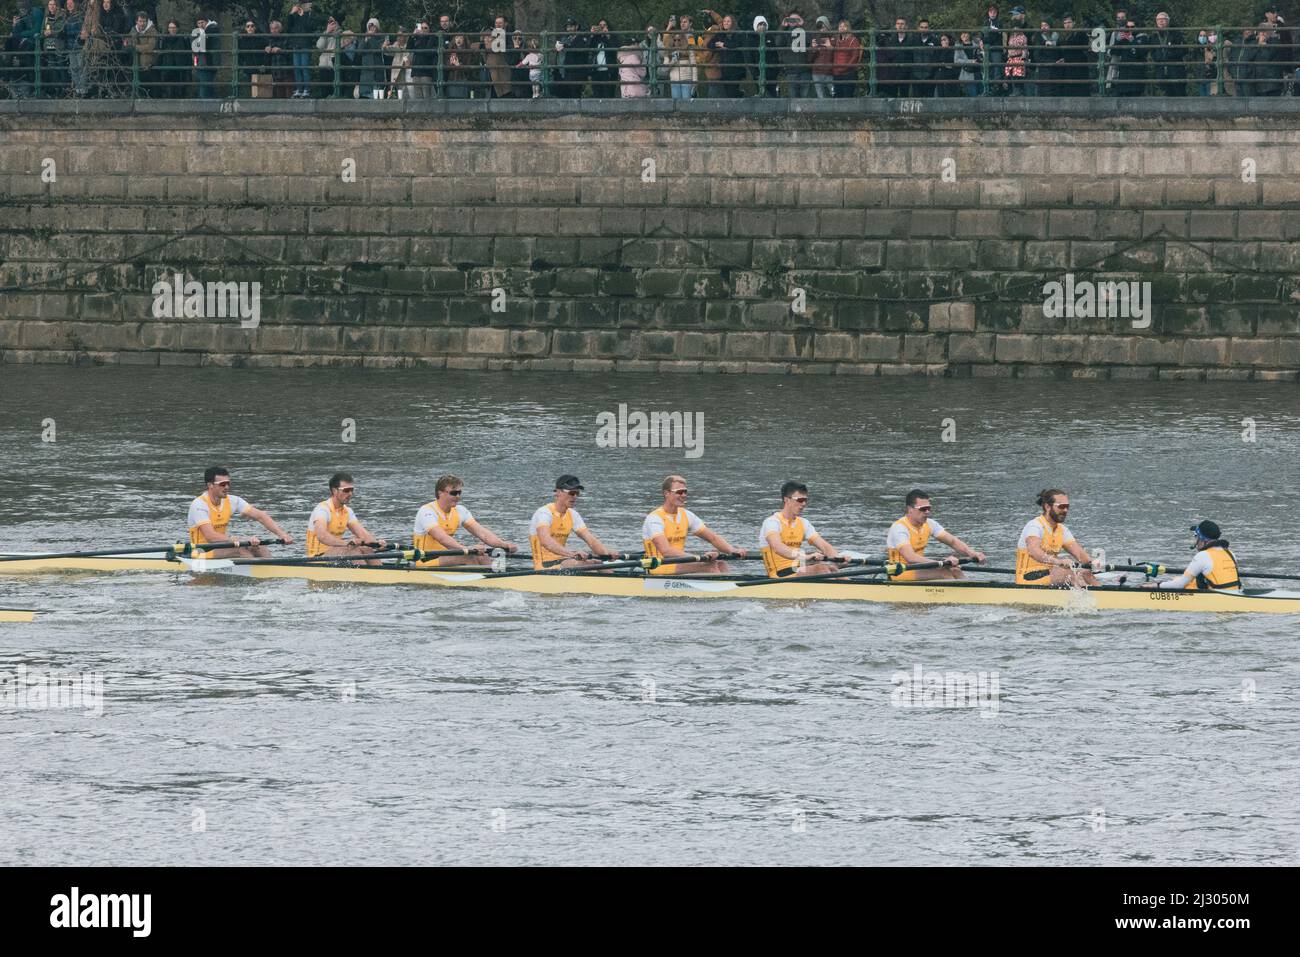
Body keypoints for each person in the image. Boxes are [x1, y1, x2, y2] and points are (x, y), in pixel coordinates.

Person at [642, 475, 746, 575]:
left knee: (721, 563)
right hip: (658, 566)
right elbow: (666, 551)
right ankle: (725, 591)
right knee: (708, 566)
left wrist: (732, 550)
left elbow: (713, 538)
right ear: (666, 493)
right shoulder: (655, 518)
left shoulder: (686, 515)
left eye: (685, 492)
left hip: (678, 562)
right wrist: (699, 558)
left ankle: (733, 589)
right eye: (679, 492)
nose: (684, 495)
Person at [413, 474, 519, 567]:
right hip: (425, 559)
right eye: (453, 493)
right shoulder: (427, 511)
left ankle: (495, 582)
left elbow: (483, 534)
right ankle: (487, 582)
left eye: (459, 492)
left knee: (483, 556)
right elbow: (442, 538)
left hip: (445, 556)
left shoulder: (460, 511)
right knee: (468, 556)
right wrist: (467, 549)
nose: (458, 496)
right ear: (440, 493)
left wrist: (504, 545)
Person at [188, 466, 293, 559]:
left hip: (221, 546)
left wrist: (282, 535)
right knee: (240, 549)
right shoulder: (199, 505)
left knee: (259, 546)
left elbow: (261, 516)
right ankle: (258, 575)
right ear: (210, 485)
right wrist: (242, 539)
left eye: (228, 483)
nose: (227, 487)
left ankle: (273, 570)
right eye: (222, 484)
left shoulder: (233, 500)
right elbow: (210, 536)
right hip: (201, 551)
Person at [885, 490, 985, 581]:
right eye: (923, 509)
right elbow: (911, 557)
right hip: (900, 572)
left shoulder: (930, 524)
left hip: (918, 568)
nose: (927, 512)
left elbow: (952, 541)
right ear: (910, 509)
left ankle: (972, 592)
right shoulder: (899, 528)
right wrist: (940, 564)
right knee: (944, 573)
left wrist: (972, 553)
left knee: (955, 570)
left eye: (929, 508)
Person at [1015, 488, 1100, 587]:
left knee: (1086, 572)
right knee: (1069, 573)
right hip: (1028, 578)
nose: (1065, 510)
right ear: (1047, 507)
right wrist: (1058, 562)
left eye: (1067, 507)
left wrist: (1094, 564)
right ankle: (1087, 600)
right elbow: (1033, 551)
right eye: (1061, 506)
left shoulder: (1062, 530)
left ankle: (1103, 596)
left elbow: (1081, 555)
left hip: (1050, 574)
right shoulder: (1034, 526)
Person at [760, 481, 845, 578]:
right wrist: (804, 557)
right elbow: (778, 547)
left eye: (805, 500)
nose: (804, 504)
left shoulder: (803, 523)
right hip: (780, 574)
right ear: (786, 500)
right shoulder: (772, 522)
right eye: (800, 500)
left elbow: (824, 546)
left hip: (799, 568)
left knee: (833, 568)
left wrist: (838, 559)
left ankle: (850, 590)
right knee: (821, 568)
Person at [529, 475, 615, 569]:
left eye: (577, 493)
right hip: (544, 566)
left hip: (562, 561)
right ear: (558, 492)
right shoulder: (544, 513)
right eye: (572, 493)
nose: (574, 497)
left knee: (599, 564)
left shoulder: (573, 514)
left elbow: (590, 539)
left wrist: (606, 553)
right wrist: (572, 554)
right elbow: (546, 542)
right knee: (590, 565)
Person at [305, 472, 387, 563]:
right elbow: (322, 536)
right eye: (346, 490)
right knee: (353, 550)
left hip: (337, 554)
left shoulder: (347, 511)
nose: (350, 493)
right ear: (334, 490)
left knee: (366, 548)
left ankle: (381, 573)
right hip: (317, 558)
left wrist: (377, 544)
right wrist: (346, 543)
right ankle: (365, 575)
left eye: (352, 490)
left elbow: (363, 535)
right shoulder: (322, 510)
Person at [1145, 521, 1241, 591]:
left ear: (1201, 538)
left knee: (1180, 582)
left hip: (1216, 599)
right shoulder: (1230, 553)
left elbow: (1179, 585)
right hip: (1236, 594)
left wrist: (1157, 585)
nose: (1195, 540)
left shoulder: (1203, 556)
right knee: (1186, 581)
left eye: (1195, 536)